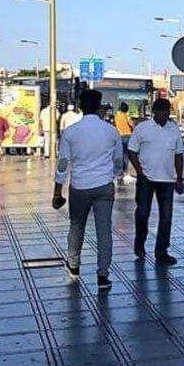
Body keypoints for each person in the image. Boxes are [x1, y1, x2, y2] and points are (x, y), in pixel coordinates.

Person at [53, 89, 122, 290]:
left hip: (79, 187)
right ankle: (102, 275)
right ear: (99, 106)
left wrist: (58, 191)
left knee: (77, 226)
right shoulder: (111, 131)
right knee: (104, 230)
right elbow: (118, 160)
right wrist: (114, 176)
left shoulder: (71, 132)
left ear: (81, 107)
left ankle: (74, 266)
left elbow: (63, 164)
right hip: (104, 186)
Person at [127, 98, 184, 265]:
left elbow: (178, 155)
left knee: (166, 217)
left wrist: (179, 178)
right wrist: (139, 172)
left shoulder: (174, 130)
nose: (164, 115)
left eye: (167, 112)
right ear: (154, 112)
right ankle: (139, 245)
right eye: (161, 112)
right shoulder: (142, 128)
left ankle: (162, 252)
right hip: (146, 179)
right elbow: (132, 151)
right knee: (143, 213)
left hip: (167, 180)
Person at [113, 102, 134, 181]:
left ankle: (119, 171)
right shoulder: (127, 116)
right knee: (126, 154)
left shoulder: (116, 116)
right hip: (128, 136)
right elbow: (131, 125)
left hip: (119, 136)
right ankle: (125, 170)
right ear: (127, 109)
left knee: (119, 153)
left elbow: (115, 124)